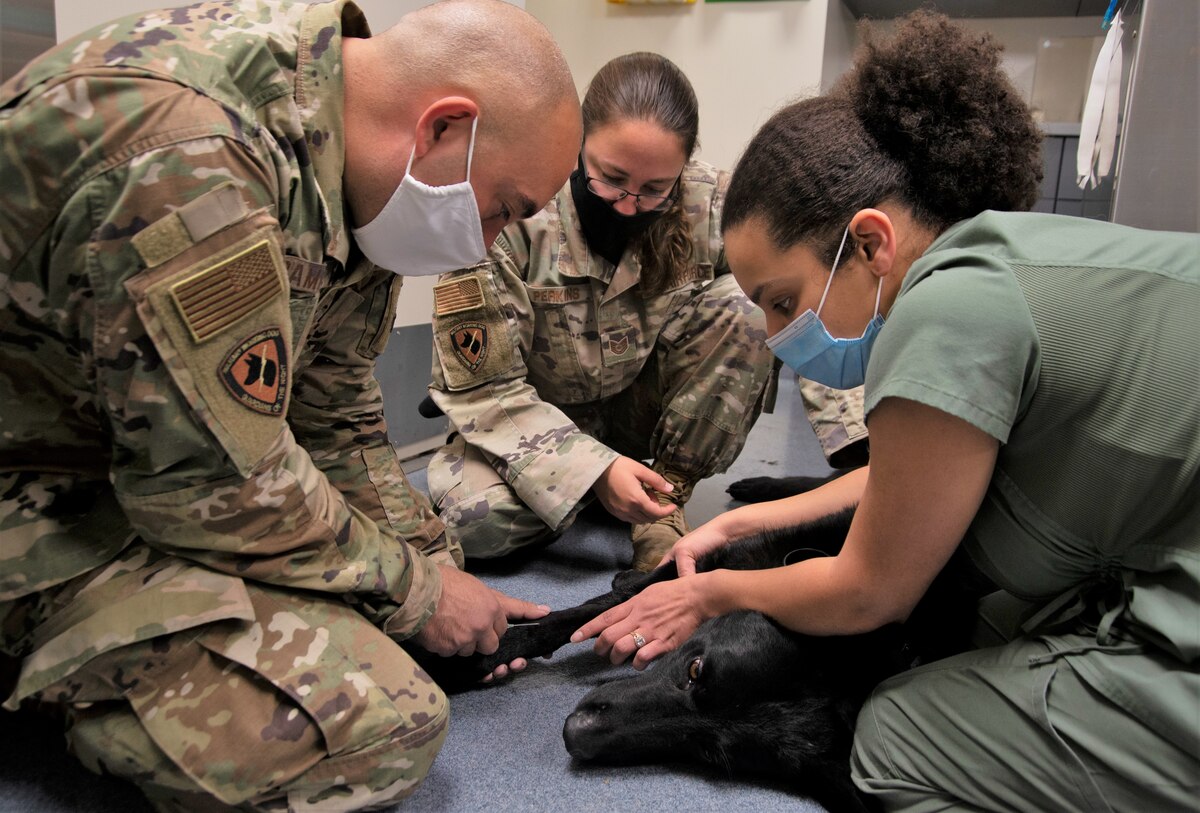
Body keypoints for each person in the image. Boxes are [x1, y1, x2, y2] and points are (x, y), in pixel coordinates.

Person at [573, 12, 1198, 811]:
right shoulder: (999, 255)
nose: (772, 332)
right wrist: (736, 527)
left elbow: (871, 591)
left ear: (869, 244)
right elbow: (902, 483)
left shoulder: (943, 314)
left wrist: (713, 594)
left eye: (783, 300)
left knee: (895, 732)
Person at [0, 0, 581, 809]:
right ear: (443, 128)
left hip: (136, 467)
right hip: (43, 503)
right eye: (504, 208)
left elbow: (334, 411)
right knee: (378, 728)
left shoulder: (354, 168)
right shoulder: (193, 159)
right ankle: (61, 669)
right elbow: (212, 488)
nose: (487, 243)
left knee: (399, 616)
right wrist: (414, 592)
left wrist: (432, 568)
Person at [426, 52, 776, 572]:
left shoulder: (711, 203)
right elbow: (485, 390)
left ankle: (660, 502)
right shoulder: (515, 207)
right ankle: (598, 492)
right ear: (578, 145)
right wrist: (592, 471)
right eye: (611, 178)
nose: (629, 205)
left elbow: (800, 291)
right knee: (475, 520)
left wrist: (857, 446)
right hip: (533, 420)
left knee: (750, 307)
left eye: (655, 189)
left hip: (637, 409)